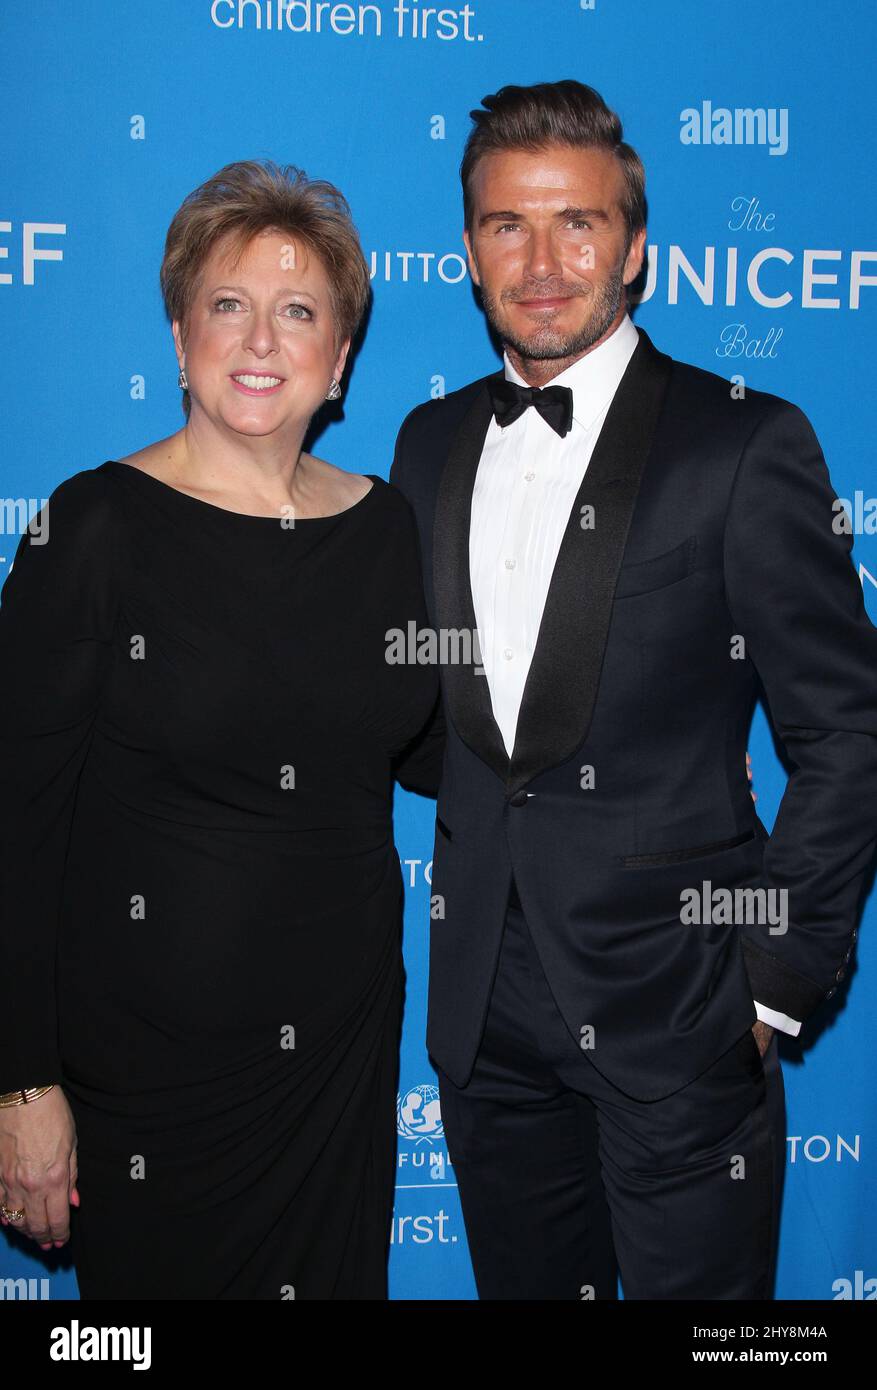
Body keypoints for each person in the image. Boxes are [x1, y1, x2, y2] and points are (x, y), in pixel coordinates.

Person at [390, 80, 877, 1299]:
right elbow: (442, 715)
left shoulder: (744, 441)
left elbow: (847, 729)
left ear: (636, 247)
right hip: (484, 1022)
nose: (542, 260)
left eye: (579, 223)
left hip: (682, 1009)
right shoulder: (429, 442)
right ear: (468, 250)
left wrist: (771, 979)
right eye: (508, 224)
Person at [0, 159, 440, 1299]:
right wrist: (19, 1085)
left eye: (298, 311)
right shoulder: (92, 527)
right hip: (148, 1080)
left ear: (338, 360)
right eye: (227, 305)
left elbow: (443, 743)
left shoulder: (386, 529)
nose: (260, 338)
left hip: (335, 1062)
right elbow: (15, 825)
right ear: (181, 338)